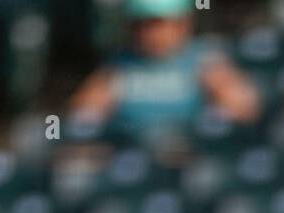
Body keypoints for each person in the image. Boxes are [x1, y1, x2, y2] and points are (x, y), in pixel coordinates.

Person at [69, 0, 260, 138]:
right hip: (131, 154)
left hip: (187, 155)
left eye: (157, 23)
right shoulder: (120, 66)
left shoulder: (204, 60)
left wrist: (214, 117)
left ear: (182, 24)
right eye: (141, 24)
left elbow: (243, 108)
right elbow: (85, 115)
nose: (149, 33)